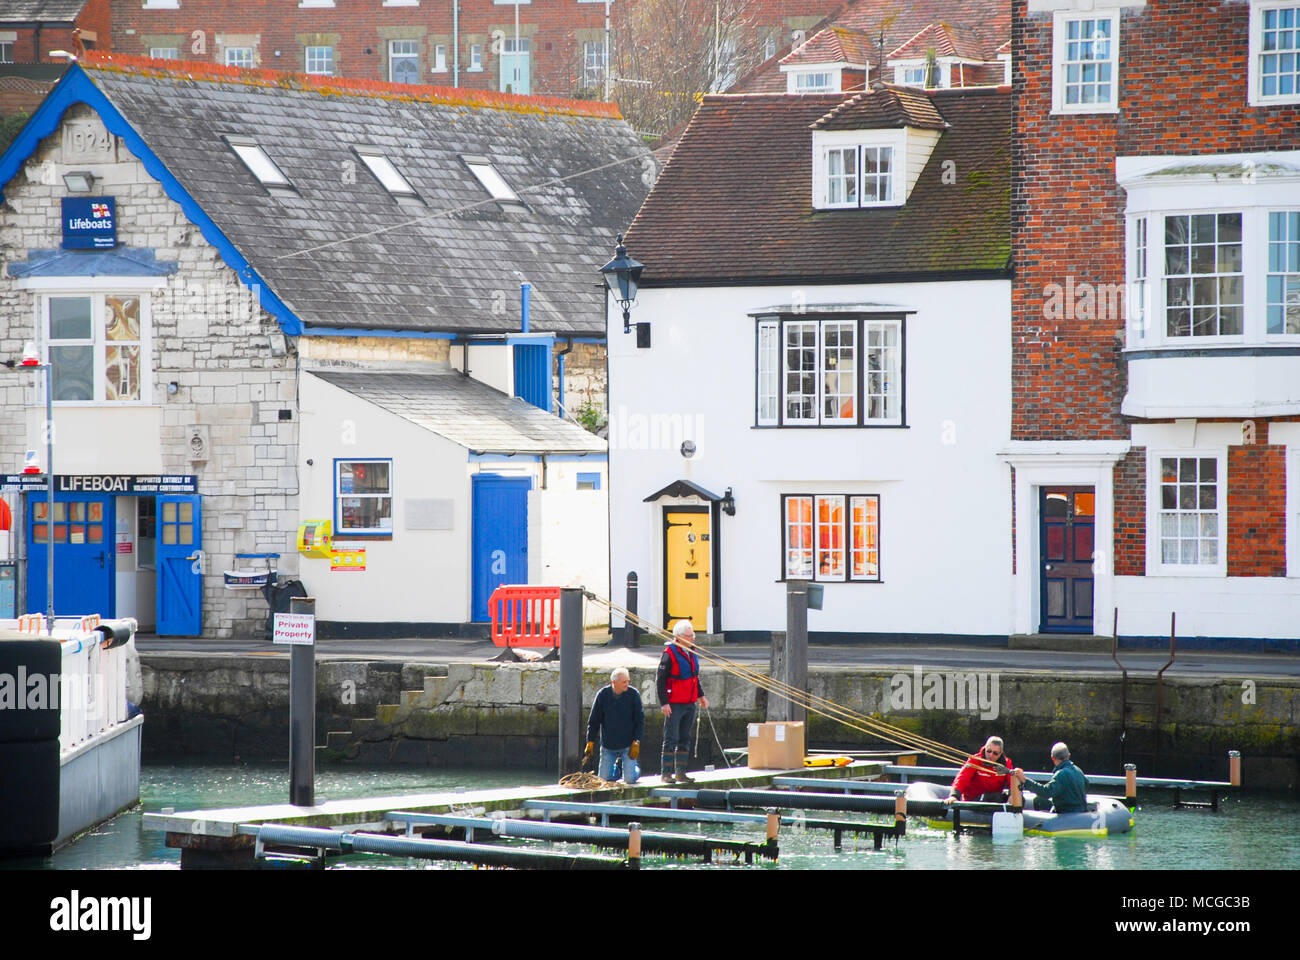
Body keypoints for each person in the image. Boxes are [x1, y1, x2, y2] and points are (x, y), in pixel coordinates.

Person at [657, 619, 709, 783]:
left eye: (692, 635)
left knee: (685, 738)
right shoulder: (669, 654)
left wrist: (701, 696)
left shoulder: (692, 652)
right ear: (678, 637)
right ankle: (666, 774)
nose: (693, 638)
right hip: (674, 703)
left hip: (689, 702)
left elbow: (694, 677)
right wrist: (664, 702)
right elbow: (660, 680)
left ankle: (680, 773)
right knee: (671, 738)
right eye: (689, 635)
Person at [583, 666, 645, 785]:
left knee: (629, 780)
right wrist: (590, 741)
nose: (627, 684)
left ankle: (634, 768)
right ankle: (617, 770)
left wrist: (636, 741)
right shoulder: (603, 695)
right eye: (624, 682)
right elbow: (594, 720)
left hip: (628, 745)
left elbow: (640, 720)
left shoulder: (633, 694)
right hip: (608, 745)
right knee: (603, 780)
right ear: (614, 682)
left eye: (628, 681)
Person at [945, 736, 1023, 804]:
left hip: (995, 799)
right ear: (985, 748)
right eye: (988, 751)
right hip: (973, 800)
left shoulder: (1006, 764)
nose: (991, 755)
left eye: (995, 753)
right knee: (994, 797)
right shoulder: (975, 760)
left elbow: (1012, 782)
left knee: (1019, 799)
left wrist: (1013, 795)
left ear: (1000, 753)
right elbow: (962, 778)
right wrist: (954, 796)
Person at [1020, 742, 1088, 813]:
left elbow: (1046, 792)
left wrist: (1025, 780)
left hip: (1066, 813)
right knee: (1039, 801)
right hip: (1081, 811)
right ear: (1069, 756)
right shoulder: (1079, 770)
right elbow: (1086, 784)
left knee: (1039, 801)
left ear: (1053, 758)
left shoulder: (1061, 774)